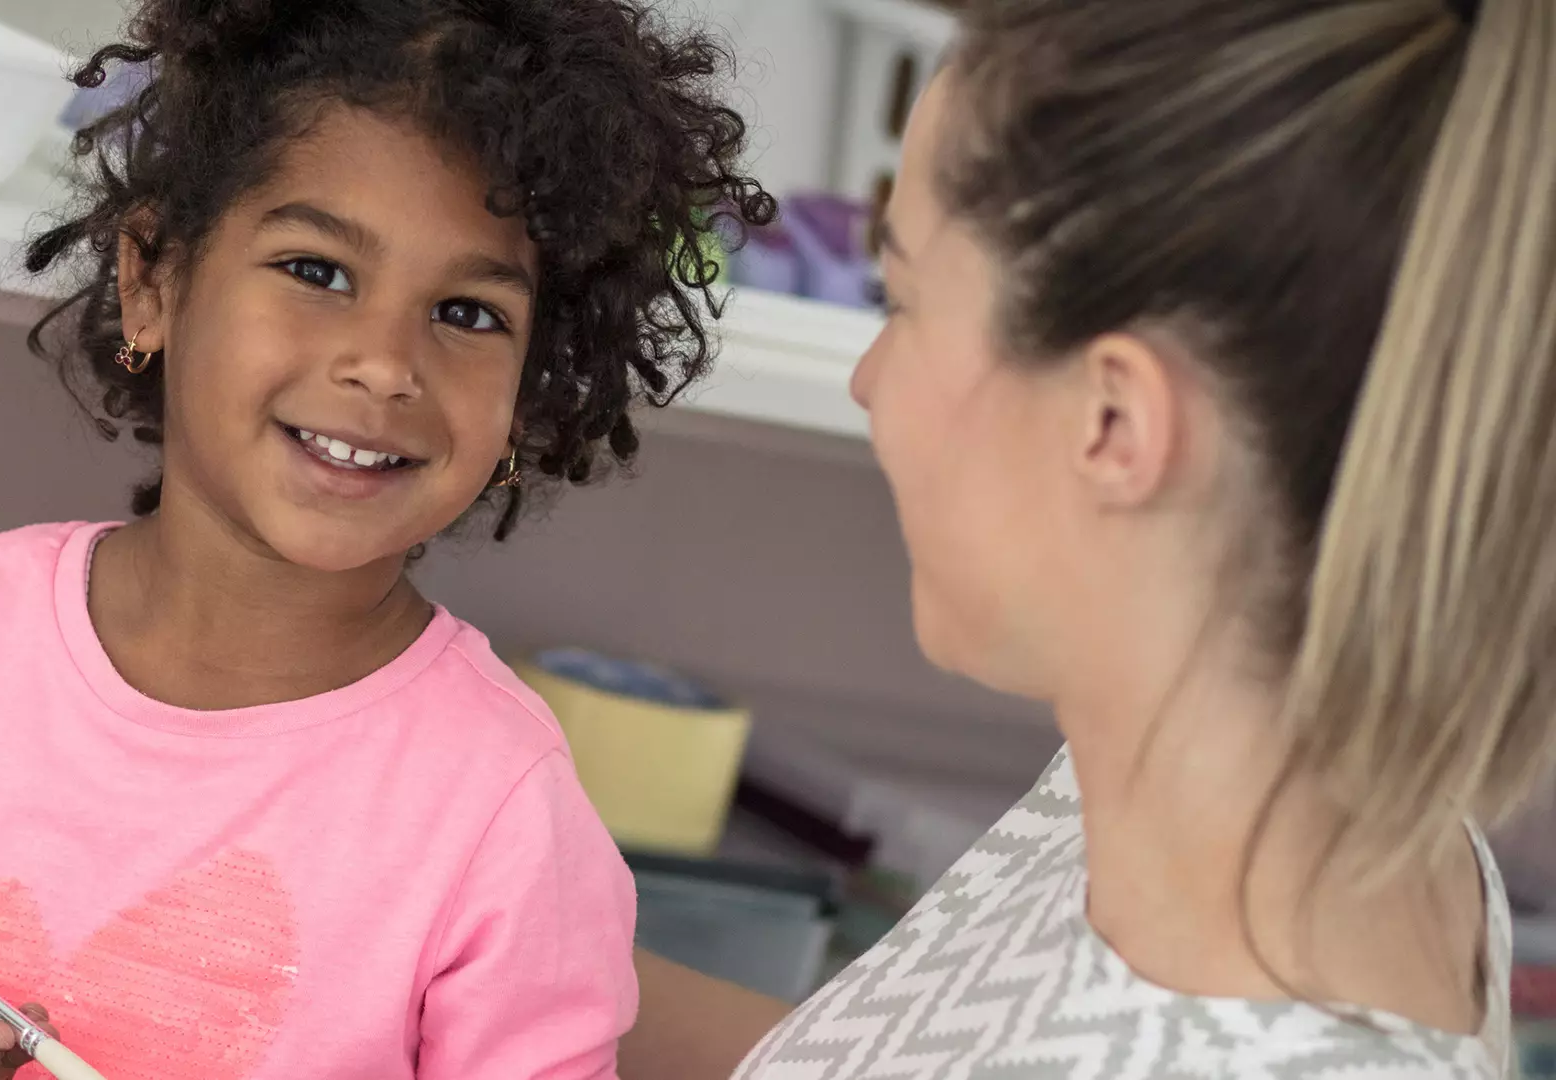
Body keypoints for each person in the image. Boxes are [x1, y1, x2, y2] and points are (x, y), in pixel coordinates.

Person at [0, 3, 772, 1079]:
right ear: (152, 279)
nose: (385, 364)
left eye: (467, 313)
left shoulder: (501, 808)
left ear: (531, 398)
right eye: (317, 271)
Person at [622, 0, 1554, 1077]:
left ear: (1112, 424)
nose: (869, 382)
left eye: (905, 298)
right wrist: (488, 950)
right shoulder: (1210, 804)